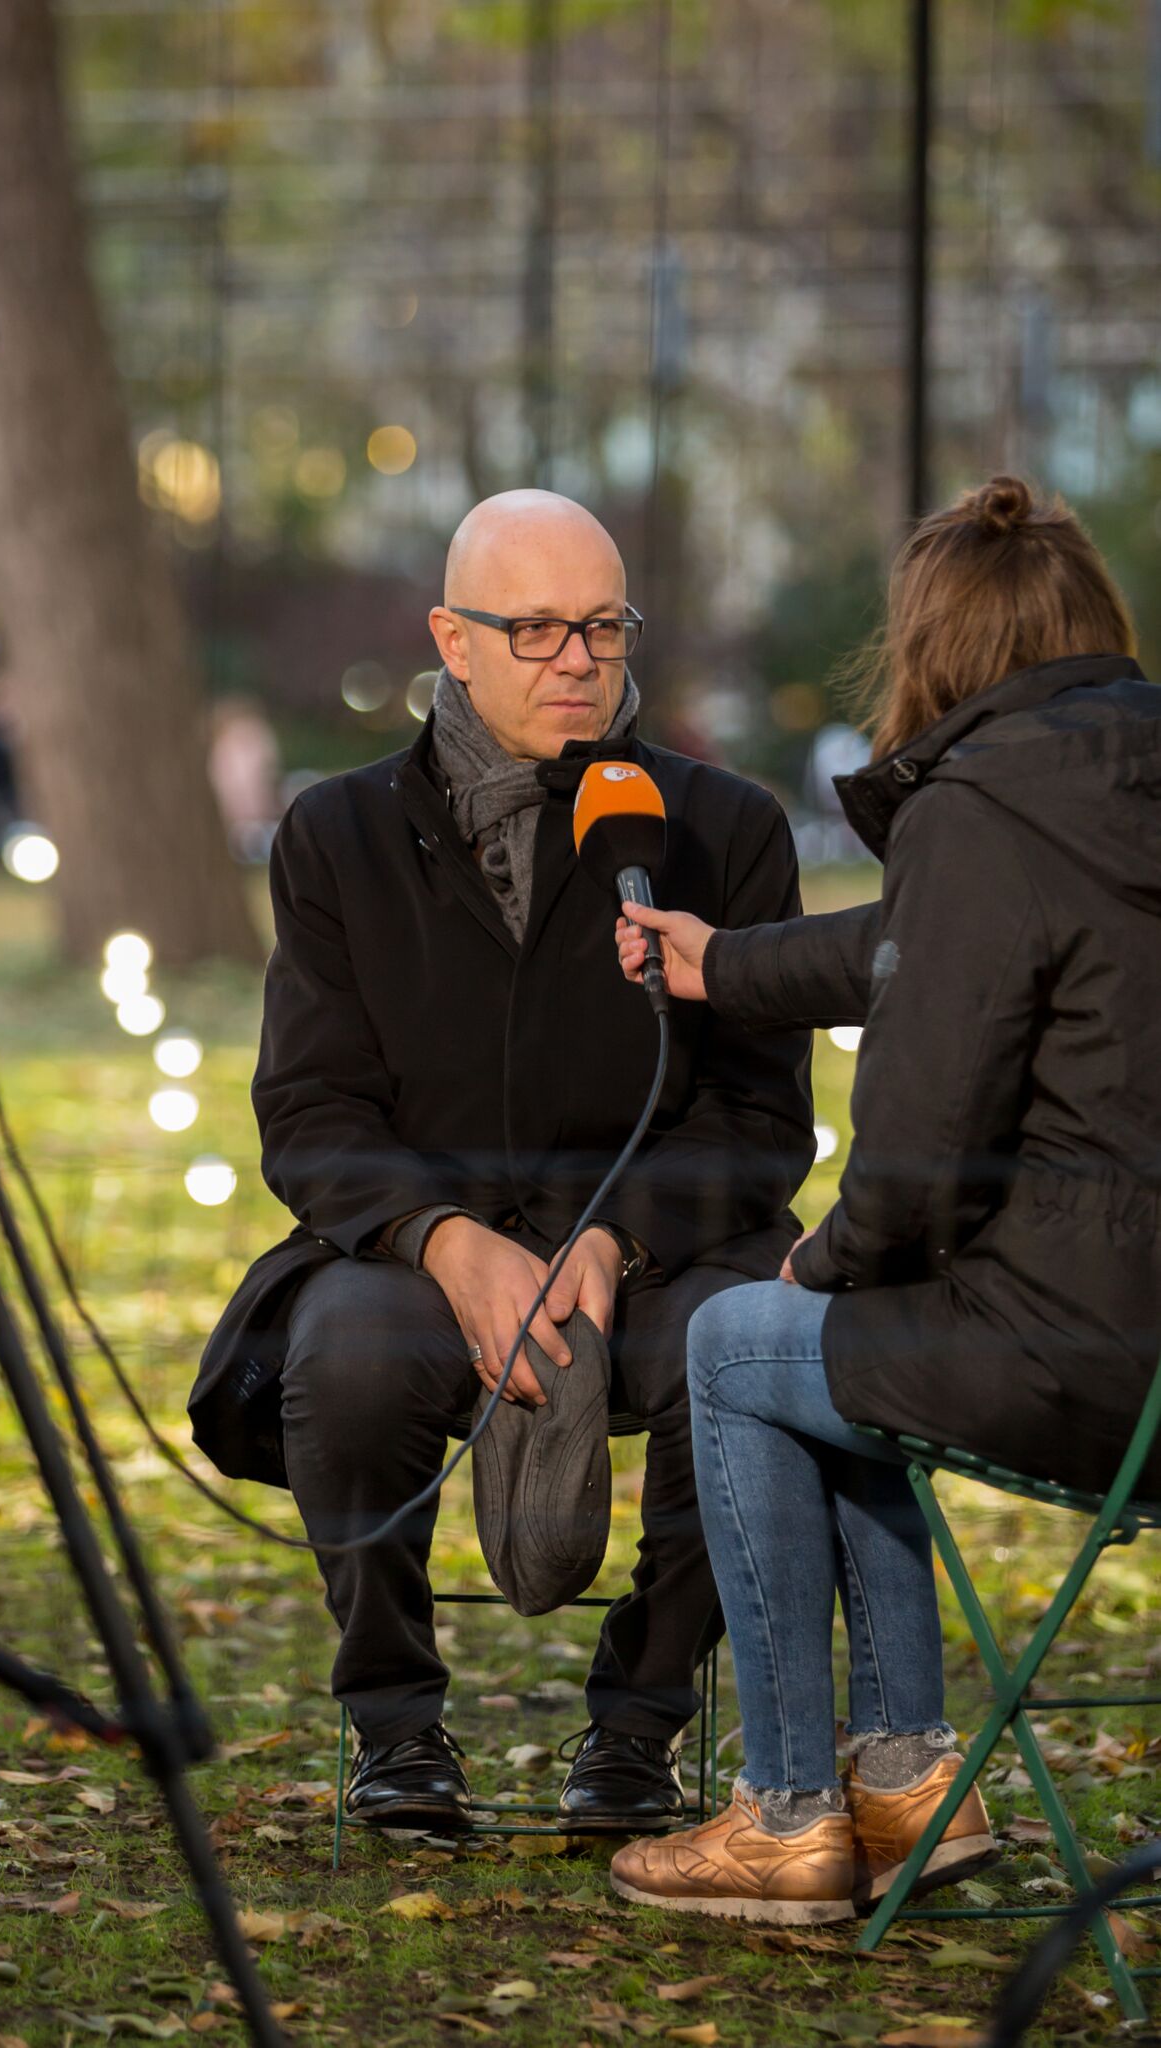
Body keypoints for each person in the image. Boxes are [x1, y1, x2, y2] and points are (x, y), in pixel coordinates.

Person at [190, 489, 815, 1834]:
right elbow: (308, 1110)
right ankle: (395, 1728)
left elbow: (762, 1120)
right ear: (449, 640)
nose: (577, 659)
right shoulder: (336, 837)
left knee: (752, 1351)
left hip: (655, 1250)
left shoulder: (723, 829)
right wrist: (442, 1240)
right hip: (423, 1247)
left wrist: (614, 1236)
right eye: (533, 630)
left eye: (601, 625)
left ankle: (636, 1730)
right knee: (346, 1358)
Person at [610, 475, 1161, 1921]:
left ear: (932, 645)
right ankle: (908, 1773)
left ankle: (788, 1814)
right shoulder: (1110, 794)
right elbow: (935, 947)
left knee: (739, 1343)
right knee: (844, 1356)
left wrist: (832, 1257)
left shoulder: (983, 813)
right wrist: (722, 964)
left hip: (1078, 1355)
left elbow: (911, 1154)